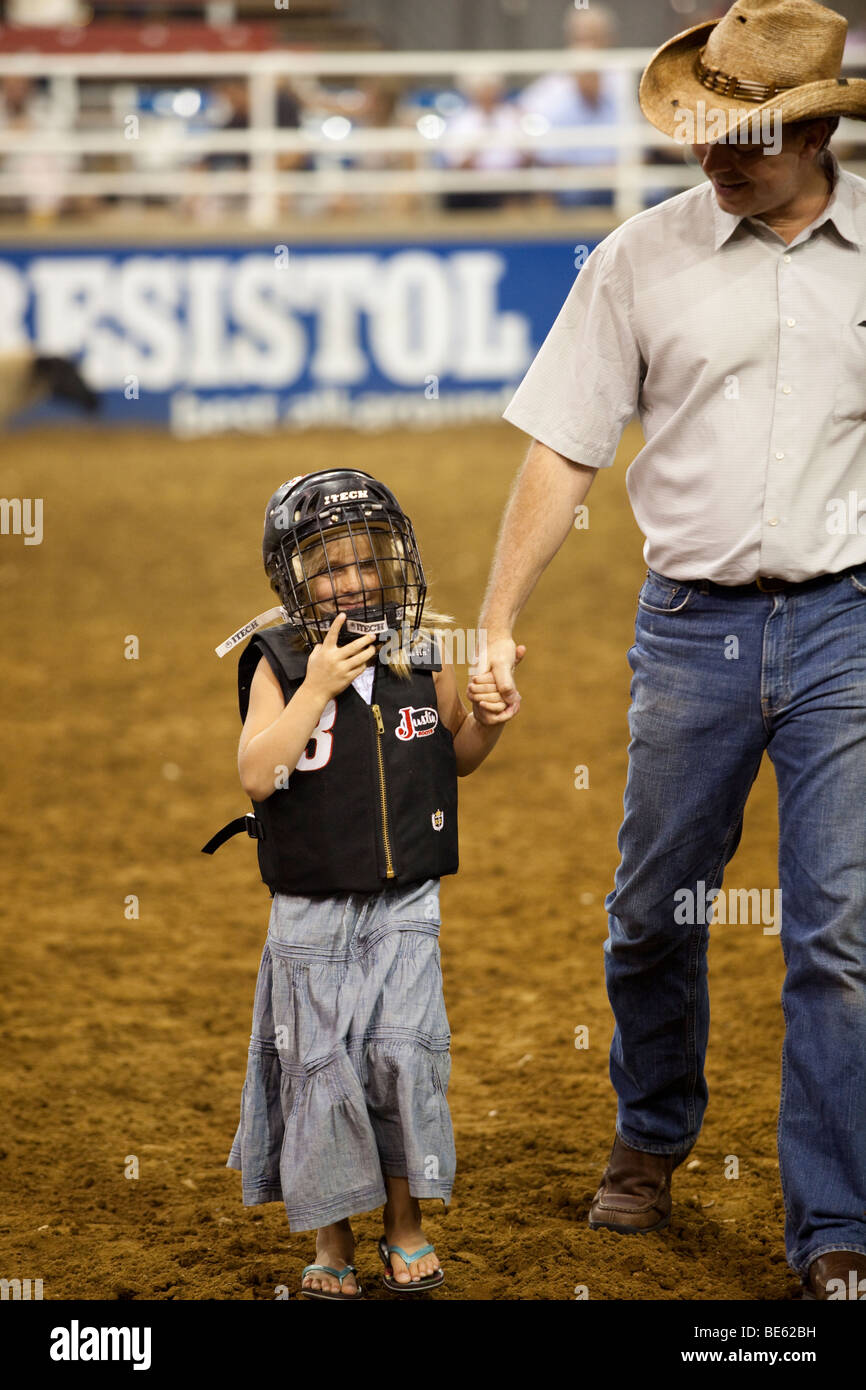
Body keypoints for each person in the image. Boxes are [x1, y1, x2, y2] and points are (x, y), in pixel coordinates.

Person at [478, 0, 866, 1301]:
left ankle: (831, 1226)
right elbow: (563, 445)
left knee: (834, 933)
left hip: (846, 626)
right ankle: (649, 1133)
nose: (712, 158)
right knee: (652, 913)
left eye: (742, 136)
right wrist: (494, 618)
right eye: (699, 133)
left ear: (813, 129)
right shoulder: (638, 258)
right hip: (688, 627)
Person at [203, 468, 522, 1299]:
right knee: (324, 1072)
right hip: (311, 913)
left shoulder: (424, 649)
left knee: (401, 1062)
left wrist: (486, 716)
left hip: (407, 905)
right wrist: (315, 688)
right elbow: (256, 773)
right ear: (295, 578)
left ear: (394, 561)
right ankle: (332, 1241)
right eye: (327, 566)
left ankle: (405, 1227)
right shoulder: (277, 659)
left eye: (364, 562)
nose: (350, 580)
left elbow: (451, 760)